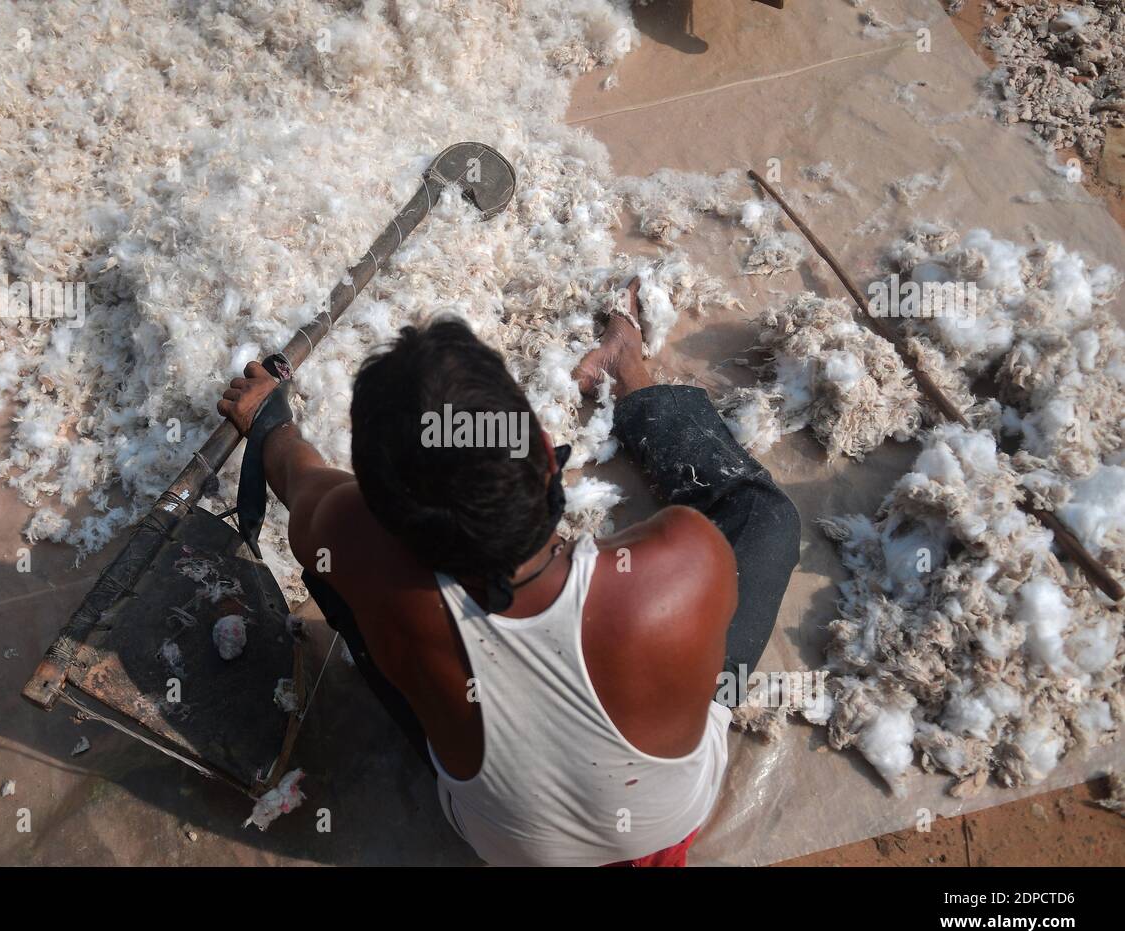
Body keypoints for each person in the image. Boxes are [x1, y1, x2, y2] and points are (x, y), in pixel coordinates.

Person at [218, 278, 800, 866]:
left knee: (330, 571)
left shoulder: (359, 547)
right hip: (663, 840)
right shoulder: (682, 561)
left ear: (381, 513)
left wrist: (269, 419)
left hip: (503, 844)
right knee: (765, 518)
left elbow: (295, 474)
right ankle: (631, 377)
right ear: (548, 453)